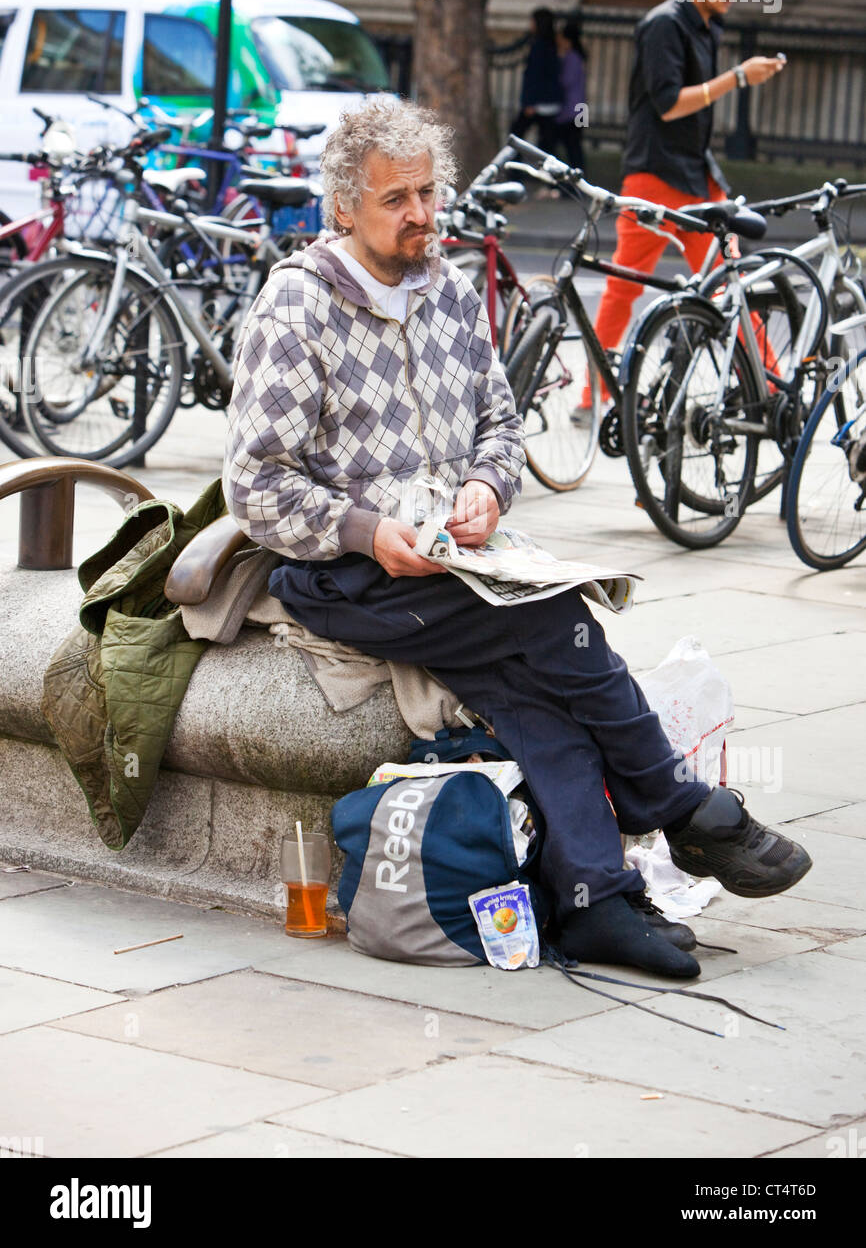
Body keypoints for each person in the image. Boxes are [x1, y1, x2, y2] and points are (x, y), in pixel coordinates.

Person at [223, 96, 810, 980]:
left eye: (428, 193)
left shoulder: (450, 290)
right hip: (340, 573)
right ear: (343, 206)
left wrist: (486, 489)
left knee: (534, 684)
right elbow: (254, 485)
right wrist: (368, 530)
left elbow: (502, 425)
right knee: (557, 623)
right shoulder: (297, 305)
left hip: (457, 565)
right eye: (396, 200)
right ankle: (678, 804)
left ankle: (593, 902)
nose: (421, 214)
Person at [587, 0, 786, 405]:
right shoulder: (663, 25)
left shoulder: (705, 26)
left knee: (731, 282)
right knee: (624, 286)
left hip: (696, 177)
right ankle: (595, 392)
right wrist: (737, 78)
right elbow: (670, 105)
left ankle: (769, 385)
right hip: (656, 176)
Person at [510, 7, 561, 157]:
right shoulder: (552, 45)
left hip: (538, 102)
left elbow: (535, 75)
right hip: (550, 101)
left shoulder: (539, 46)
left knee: (516, 136)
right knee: (546, 143)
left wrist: (529, 103)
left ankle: (514, 171)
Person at [553, 16, 587, 173]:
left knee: (572, 146)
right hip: (580, 108)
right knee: (574, 146)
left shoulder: (571, 57)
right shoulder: (577, 57)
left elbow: (565, 81)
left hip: (572, 110)